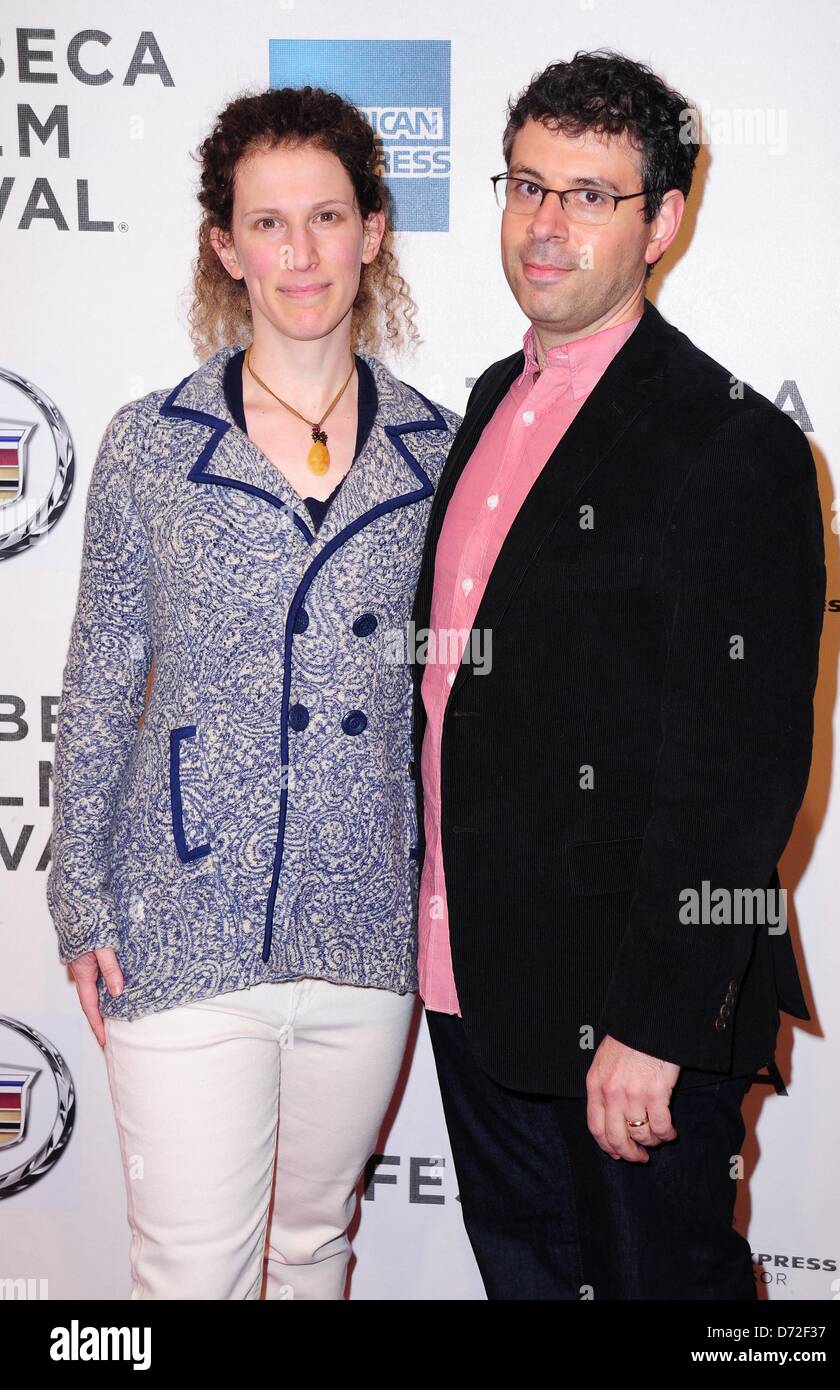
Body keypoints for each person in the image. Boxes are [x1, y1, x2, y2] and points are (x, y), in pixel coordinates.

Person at [410, 49, 825, 1300]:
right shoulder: (492, 398)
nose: (546, 225)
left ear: (664, 222)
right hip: (477, 980)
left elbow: (740, 767)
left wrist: (655, 1020)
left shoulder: (733, 441)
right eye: (528, 185)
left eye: (591, 195)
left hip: (631, 1016)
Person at [46, 84, 461, 1300]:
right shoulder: (148, 443)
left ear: (372, 231)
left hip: (362, 932)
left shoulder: (443, 452)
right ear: (225, 245)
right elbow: (97, 678)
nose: (300, 253)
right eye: (267, 224)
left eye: (327, 217)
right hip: (182, 922)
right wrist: (83, 896)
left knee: (312, 1248)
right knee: (191, 1274)